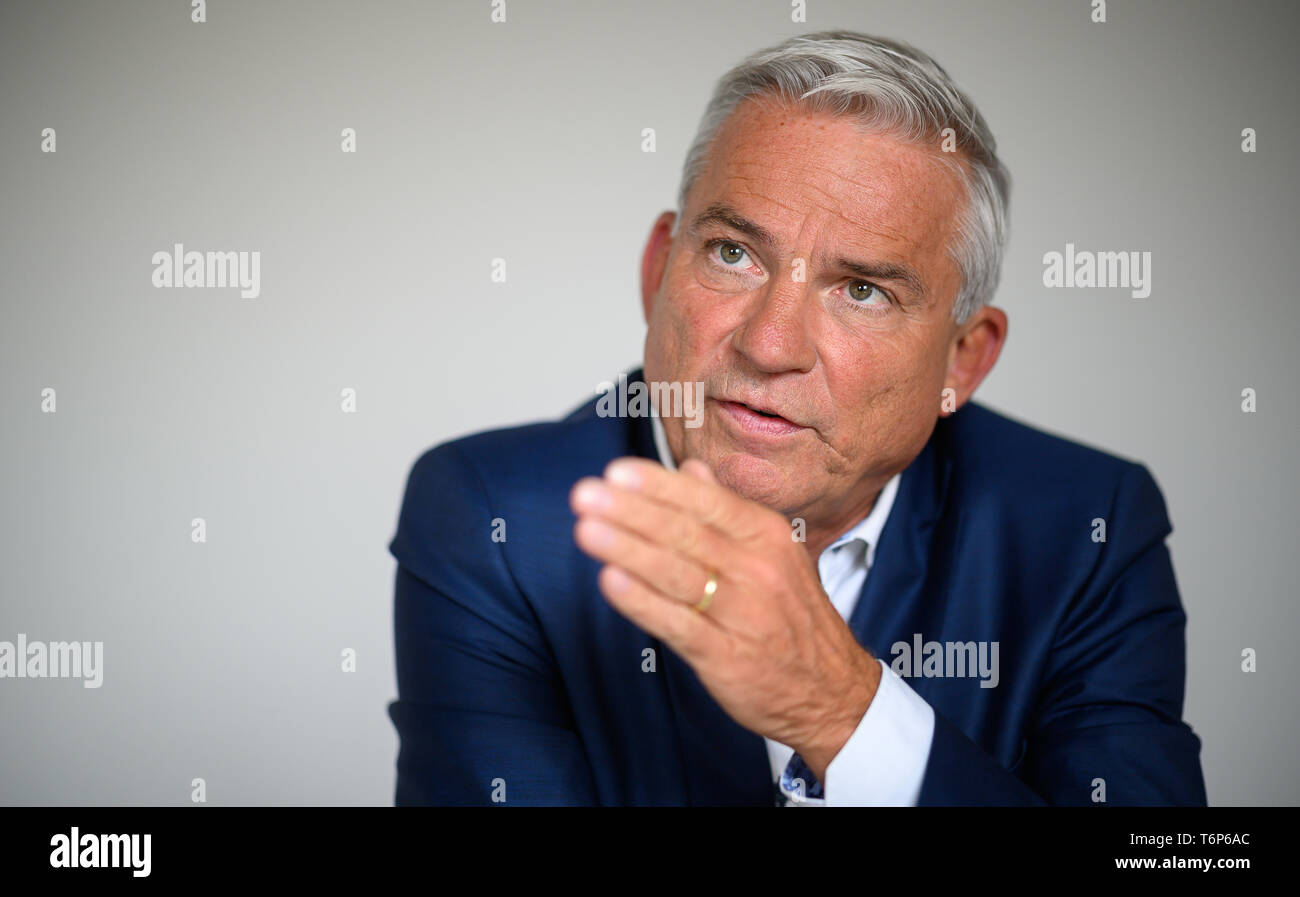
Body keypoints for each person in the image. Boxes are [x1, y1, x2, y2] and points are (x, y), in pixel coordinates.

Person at [386, 30, 1207, 806]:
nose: (770, 345)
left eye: (862, 291)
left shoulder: (1088, 528)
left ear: (962, 360)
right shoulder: (496, 516)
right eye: (734, 253)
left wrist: (841, 709)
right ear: (658, 269)